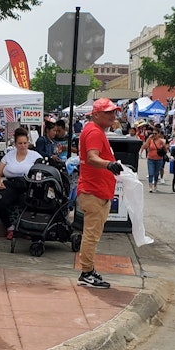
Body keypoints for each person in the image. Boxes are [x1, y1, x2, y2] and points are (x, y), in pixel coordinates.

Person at [75, 98, 123, 289]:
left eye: (114, 112)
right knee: (91, 235)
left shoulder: (93, 130)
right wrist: (109, 164)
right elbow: (92, 157)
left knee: (92, 234)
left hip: (97, 191)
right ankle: (86, 273)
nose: (113, 115)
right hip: (93, 192)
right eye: (108, 112)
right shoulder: (94, 132)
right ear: (96, 114)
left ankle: (88, 270)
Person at [0, 127, 41, 239]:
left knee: (30, 202)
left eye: (25, 143)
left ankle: (27, 228)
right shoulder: (9, 155)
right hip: (11, 185)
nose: (23, 145)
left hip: (28, 185)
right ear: (15, 144)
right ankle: (9, 227)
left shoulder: (35, 155)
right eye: (20, 143)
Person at [142, 127, 167, 192]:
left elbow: (165, 151)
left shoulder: (161, 141)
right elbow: (145, 146)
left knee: (156, 173)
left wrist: (164, 147)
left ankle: (155, 185)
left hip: (159, 159)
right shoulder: (150, 140)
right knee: (150, 173)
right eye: (153, 133)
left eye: (155, 133)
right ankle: (150, 186)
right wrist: (148, 139)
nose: (154, 135)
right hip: (150, 159)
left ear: (159, 134)